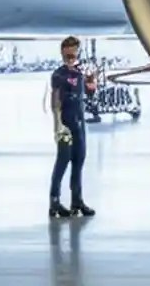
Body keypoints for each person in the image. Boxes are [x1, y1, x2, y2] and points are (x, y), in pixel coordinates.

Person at [49, 36, 97, 218]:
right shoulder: (58, 75)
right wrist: (58, 125)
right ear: (62, 52)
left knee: (78, 162)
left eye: (73, 51)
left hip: (79, 123)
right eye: (67, 51)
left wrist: (92, 83)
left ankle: (77, 201)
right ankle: (54, 202)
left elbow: (90, 92)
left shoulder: (80, 73)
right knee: (62, 161)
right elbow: (55, 101)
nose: (70, 55)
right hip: (65, 123)